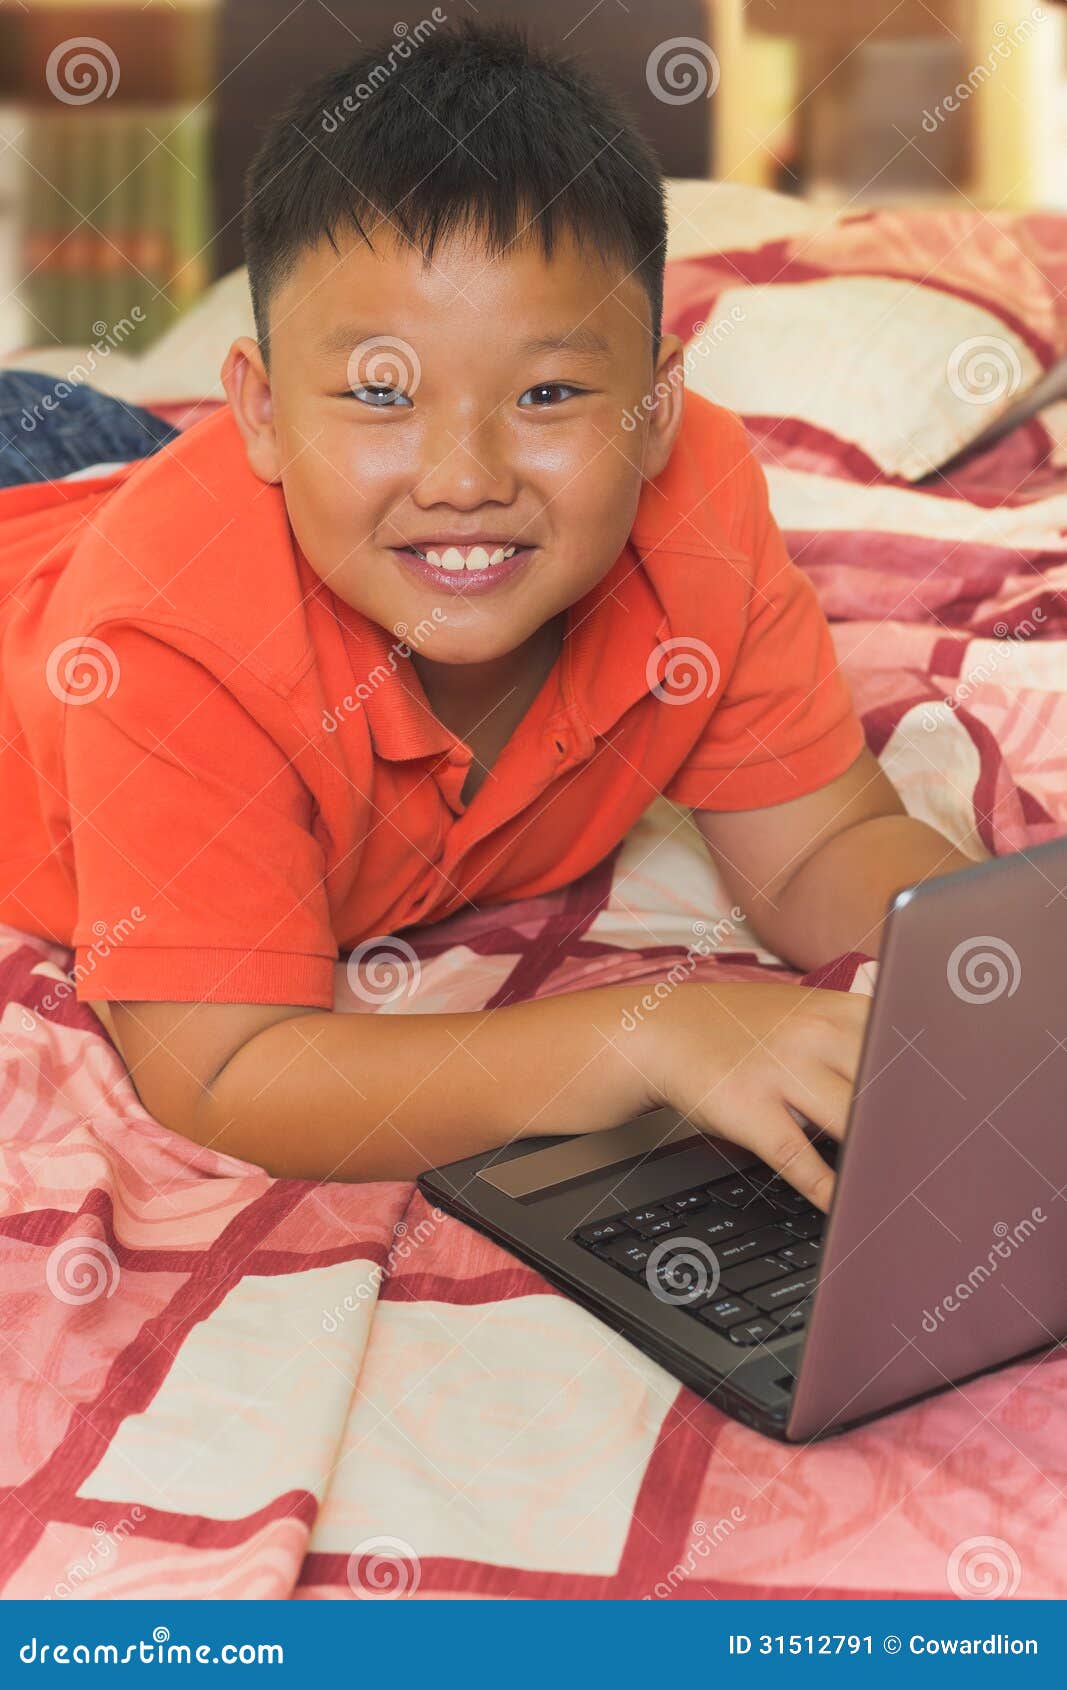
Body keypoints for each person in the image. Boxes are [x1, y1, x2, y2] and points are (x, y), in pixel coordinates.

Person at [0, 21, 977, 1201]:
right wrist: (644, 1035)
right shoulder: (167, 642)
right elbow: (223, 1072)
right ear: (258, 413)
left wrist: (990, 975)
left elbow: (819, 846)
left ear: (656, 407)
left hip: (124, 486)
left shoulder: (698, 511)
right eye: (379, 392)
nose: (465, 476)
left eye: (551, 392)